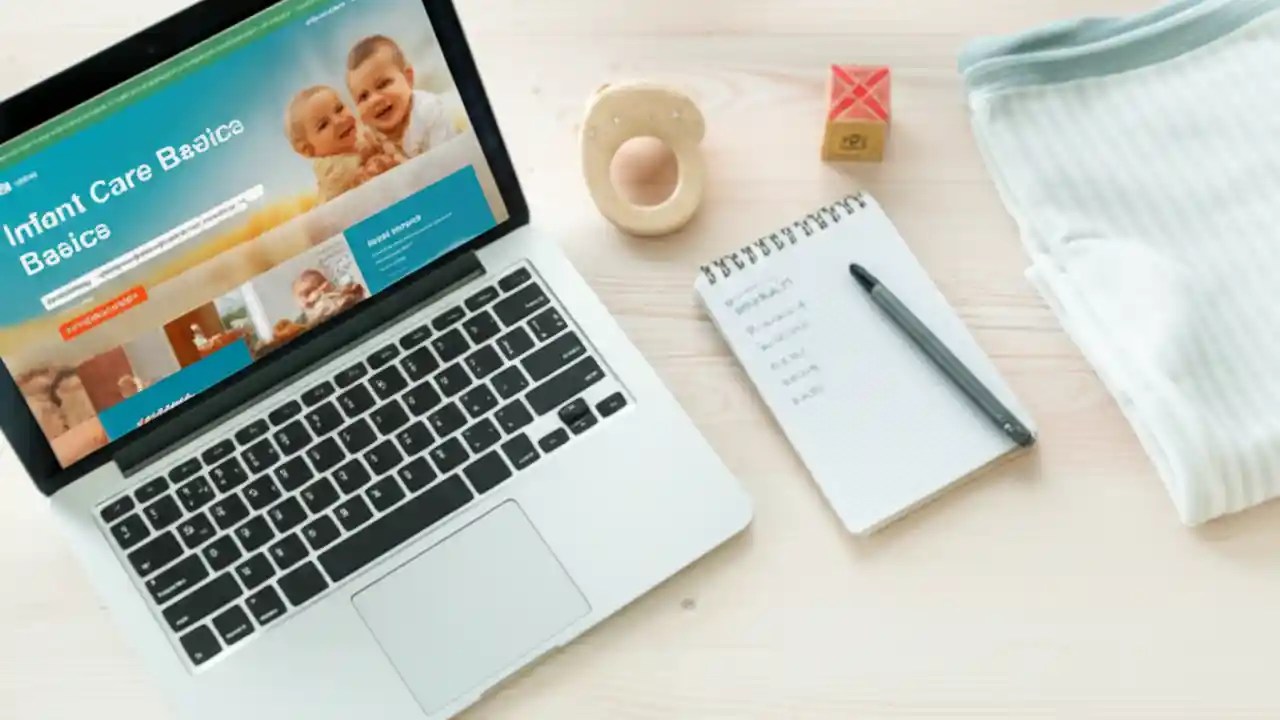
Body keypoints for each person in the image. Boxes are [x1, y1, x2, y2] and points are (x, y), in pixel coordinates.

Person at [346, 35, 459, 158]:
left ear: (408, 78)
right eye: (363, 97)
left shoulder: (429, 111)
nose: (374, 100)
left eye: (383, 84)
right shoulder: (369, 134)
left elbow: (448, 160)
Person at [285, 85, 405, 200]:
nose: (339, 121)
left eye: (339, 109)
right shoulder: (330, 168)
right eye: (323, 125)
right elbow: (355, 183)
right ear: (307, 149)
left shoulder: (364, 135)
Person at [291, 268, 365, 325]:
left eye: (308, 293)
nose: (305, 303)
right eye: (300, 299)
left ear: (325, 286)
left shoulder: (339, 297)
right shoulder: (300, 322)